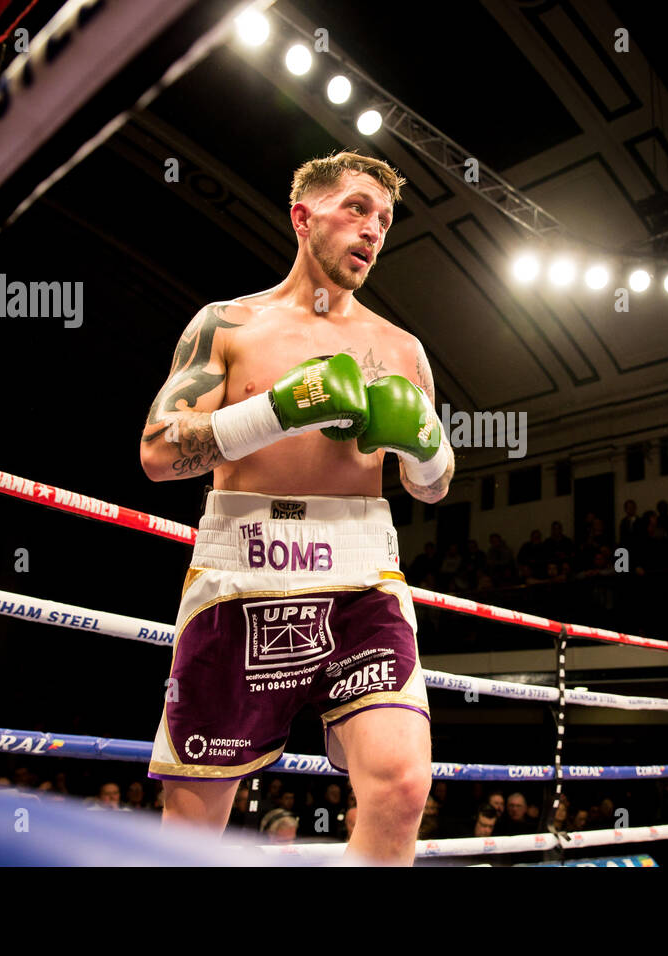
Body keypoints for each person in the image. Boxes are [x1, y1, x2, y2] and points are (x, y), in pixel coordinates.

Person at [139, 152, 452, 866]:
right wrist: (277, 411)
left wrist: (426, 442)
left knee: (403, 786)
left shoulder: (402, 348)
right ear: (303, 216)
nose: (374, 228)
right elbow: (159, 451)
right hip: (242, 571)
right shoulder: (227, 325)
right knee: (190, 829)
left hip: (363, 580)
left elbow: (430, 487)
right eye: (357, 208)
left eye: (385, 218)